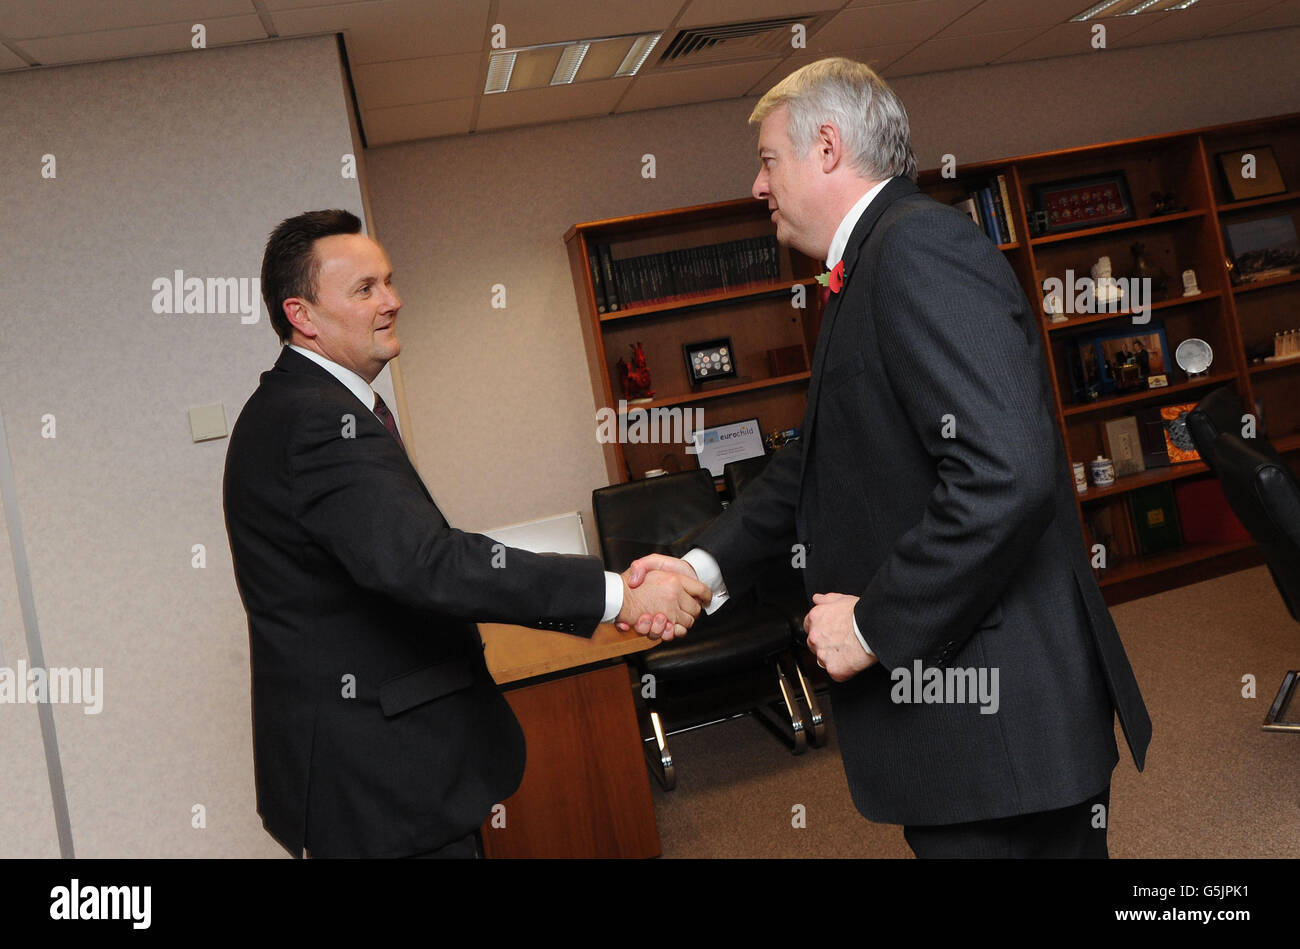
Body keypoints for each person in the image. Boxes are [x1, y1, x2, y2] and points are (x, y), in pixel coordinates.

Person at [625, 58, 1151, 858]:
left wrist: (874, 623)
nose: (757, 187)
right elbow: (814, 463)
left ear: (828, 147)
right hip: (966, 730)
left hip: (1000, 722)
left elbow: (1006, 474)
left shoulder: (918, 251)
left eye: (768, 160)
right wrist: (700, 565)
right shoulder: (867, 265)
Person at [223, 209, 708, 858]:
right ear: (302, 314)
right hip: (378, 775)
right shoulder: (314, 419)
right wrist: (617, 593)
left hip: (370, 765)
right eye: (364, 289)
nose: (392, 301)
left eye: (388, 281)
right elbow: (427, 563)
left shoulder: (301, 407)